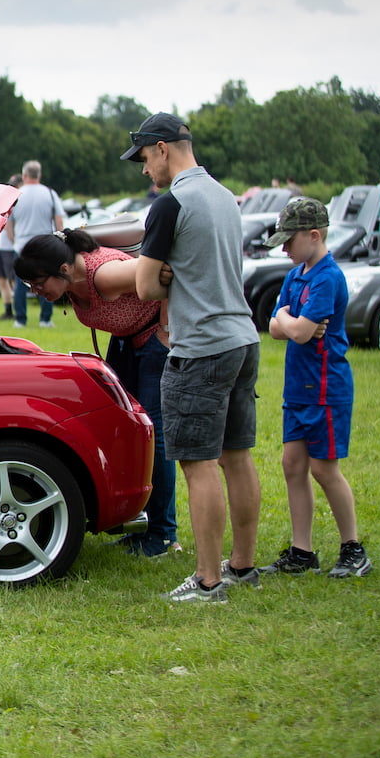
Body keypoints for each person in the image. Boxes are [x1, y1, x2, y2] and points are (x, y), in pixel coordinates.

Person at [125, 113, 261, 604]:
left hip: (200, 346)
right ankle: (243, 565)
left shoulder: (170, 204)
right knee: (237, 457)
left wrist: (166, 273)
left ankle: (208, 581)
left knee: (198, 465)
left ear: (162, 149)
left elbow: (143, 284)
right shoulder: (226, 197)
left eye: (143, 158)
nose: (144, 170)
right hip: (243, 338)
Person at [16, 229, 178, 557]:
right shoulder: (71, 274)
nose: (36, 292)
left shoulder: (105, 276)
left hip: (152, 341)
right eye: (29, 287)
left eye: (38, 284)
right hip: (127, 340)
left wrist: (165, 327)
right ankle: (138, 525)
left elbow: (168, 271)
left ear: (63, 269)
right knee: (124, 428)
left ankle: (162, 534)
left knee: (153, 434)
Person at [259, 198, 371, 579]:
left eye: (290, 241)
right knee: (293, 464)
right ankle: (302, 551)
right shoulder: (294, 276)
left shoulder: (328, 277)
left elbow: (302, 333)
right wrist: (290, 320)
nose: (285, 248)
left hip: (325, 389)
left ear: (314, 235)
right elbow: (276, 327)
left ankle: (353, 548)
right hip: (298, 390)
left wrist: (289, 321)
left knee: (324, 469)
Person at [7, 160, 65, 328]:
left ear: (24, 175)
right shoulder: (50, 193)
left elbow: (8, 223)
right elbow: (59, 220)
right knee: (47, 281)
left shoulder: (16, 195)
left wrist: (13, 240)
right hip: (44, 246)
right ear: (39, 175)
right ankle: (45, 319)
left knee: (20, 284)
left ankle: (20, 319)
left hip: (22, 245)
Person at [0, 173, 24, 321]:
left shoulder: (21, 203)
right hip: (3, 246)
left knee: (13, 281)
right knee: (1, 279)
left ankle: (19, 313)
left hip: (12, 248)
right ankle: (8, 310)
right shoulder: (9, 202)